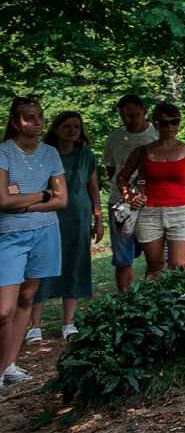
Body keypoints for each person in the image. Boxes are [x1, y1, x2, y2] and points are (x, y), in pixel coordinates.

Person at [0, 97, 67, 385]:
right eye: (29, 118)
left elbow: (62, 200)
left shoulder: (51, 153)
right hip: (9, 236)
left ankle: (9, 366)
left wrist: (22, 203)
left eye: (40, 116)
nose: (37, 122)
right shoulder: (4, 152)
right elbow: (3, 200)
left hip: (45, 233)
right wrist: (41, 195)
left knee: (27, 299)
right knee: (3, 310)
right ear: (15, 122)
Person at [27, 112, 103, 341]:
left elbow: (93, 188)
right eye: (67, 126)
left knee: (75, 264)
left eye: (77, 127)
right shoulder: (43, 154)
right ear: (56, 129)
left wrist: (98, 218)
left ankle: (68, 323)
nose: (73, 130)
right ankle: (34, 325)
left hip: (78, 219)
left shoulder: (86, 155)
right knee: (40, 267)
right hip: (48, 217)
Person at [116, 102, 185, 280]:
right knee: (155, 265)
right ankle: (154, 305)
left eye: (174, 122)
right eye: (164, 123)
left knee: (179, 265)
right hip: (149, 213)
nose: (170, 127)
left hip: (181, 211)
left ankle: (180, 303)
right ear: (156, 124)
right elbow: (121, 178)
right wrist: (131, 196)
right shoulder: (142, 151)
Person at [101, 94, 157, 291]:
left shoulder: (157, 134)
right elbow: (111, 169)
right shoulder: (114, 139)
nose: (127, 120)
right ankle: (127, 301)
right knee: (123, 257)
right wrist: (127, 195)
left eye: (132, 115)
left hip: (152, 203)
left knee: (156, 255)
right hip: (121, 204)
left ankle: (155, 299)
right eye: (123, 116)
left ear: (144, 111)